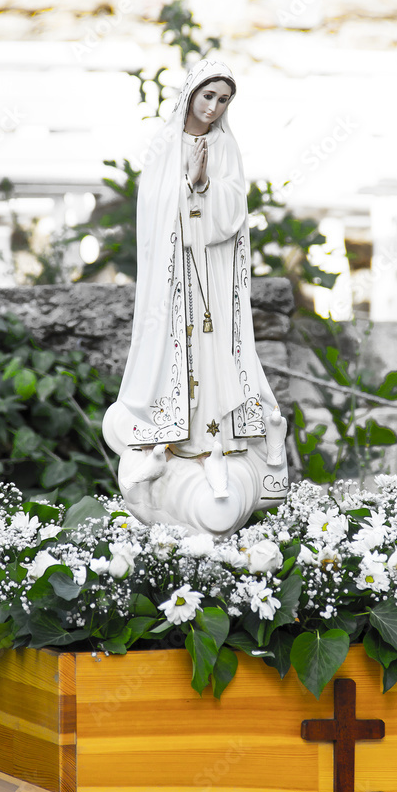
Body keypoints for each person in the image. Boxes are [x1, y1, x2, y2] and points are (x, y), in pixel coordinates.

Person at [103, 59, 287, 536]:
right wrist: (186, 189)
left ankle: (219, 446)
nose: (214, 106)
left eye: (223, 99)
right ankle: (176, 445)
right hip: (175, 275)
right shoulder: (166, 143)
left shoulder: (225, 145)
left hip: (215, 273)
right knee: (175, 358)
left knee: (215, 357)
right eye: (209, 96)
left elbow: (234, 208)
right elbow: (155, 209)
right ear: (190, 95)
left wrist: (205, 185)